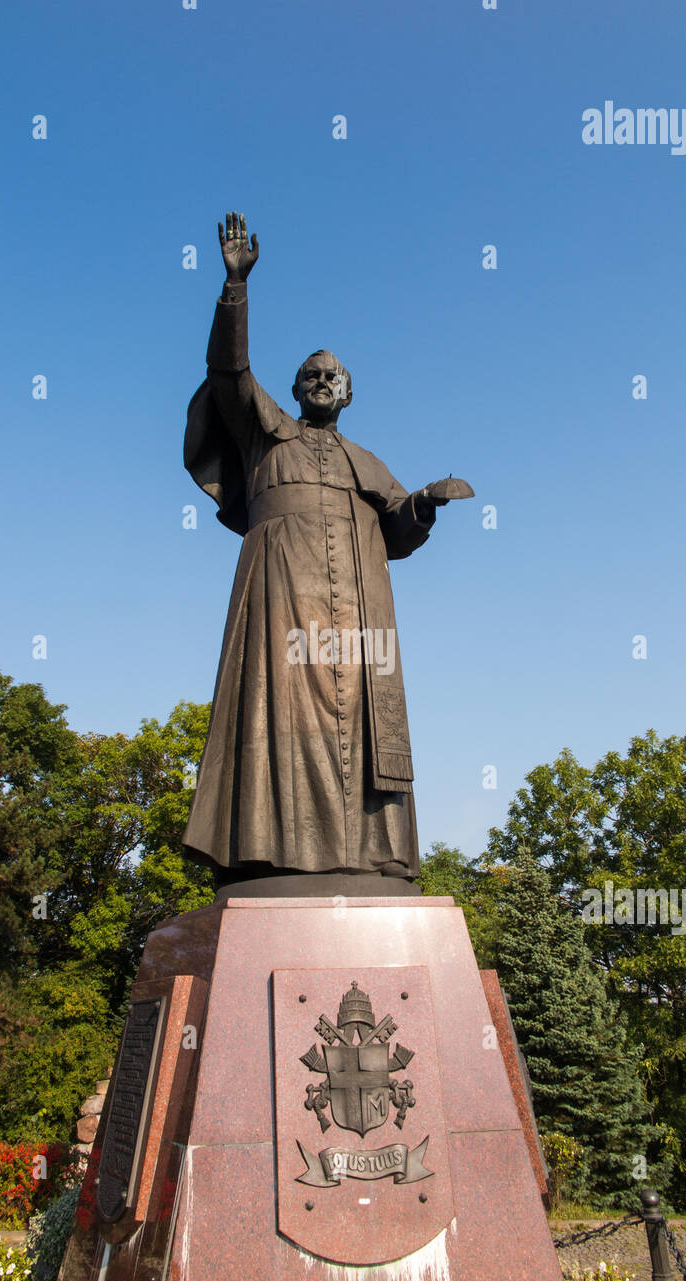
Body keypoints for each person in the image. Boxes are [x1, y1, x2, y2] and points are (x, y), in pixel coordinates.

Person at [182, 211, 473, 887]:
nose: (320, 382)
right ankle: (266, 854)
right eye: (309, 375)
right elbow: (227, 372)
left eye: (331, 376)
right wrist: (235, 290)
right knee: (273, 717)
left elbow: (396, 529)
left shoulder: (365, 462)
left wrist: (425, 504)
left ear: (347, 393)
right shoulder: (266, 437)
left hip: (359, 618)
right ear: (292, 390)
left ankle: (371, 859)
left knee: (367, 725)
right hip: (282, 601)